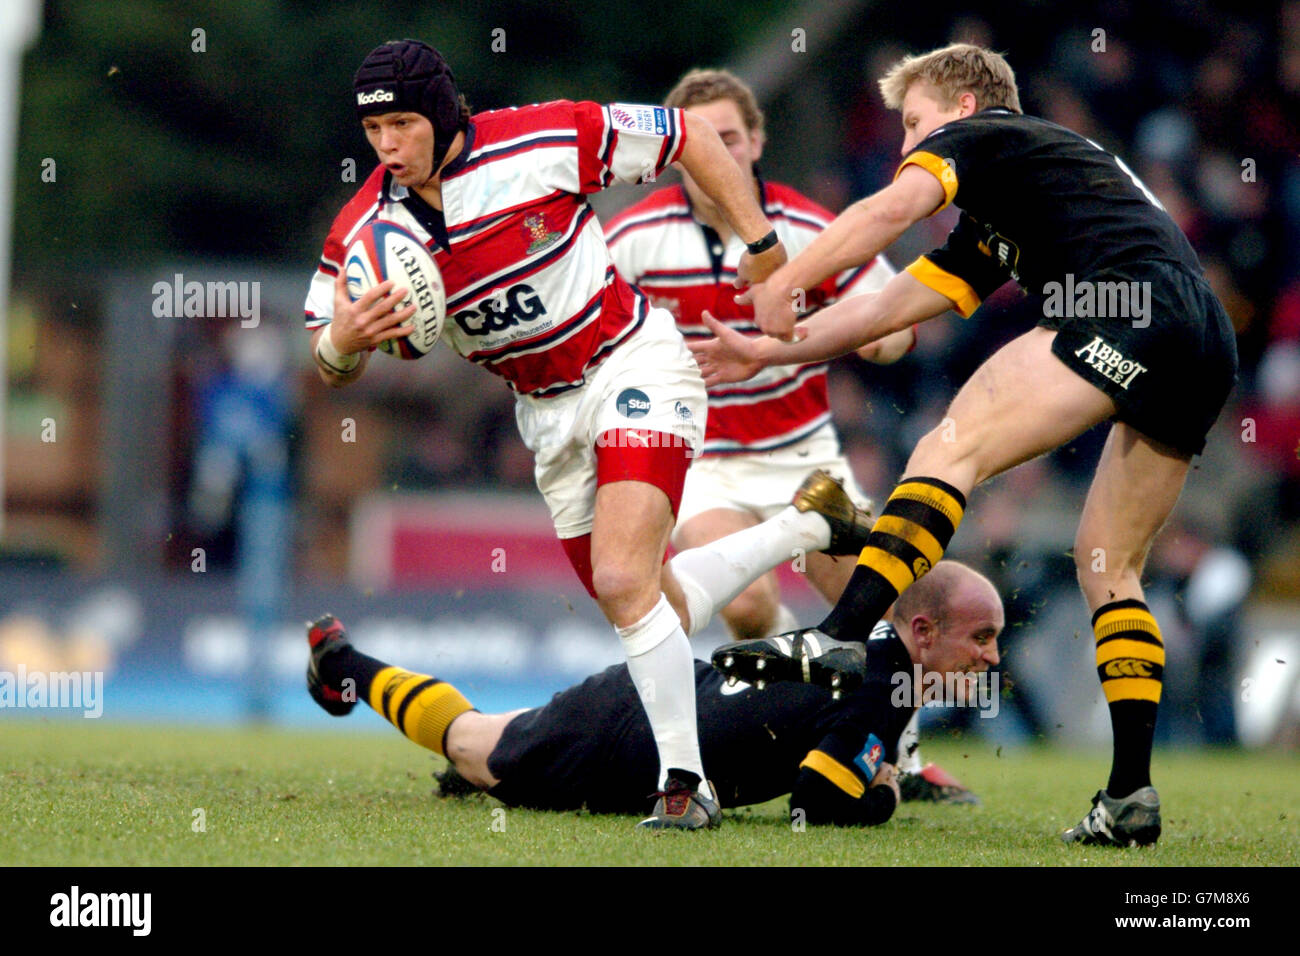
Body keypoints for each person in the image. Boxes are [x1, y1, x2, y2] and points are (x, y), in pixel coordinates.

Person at [301, 40, 881, 829]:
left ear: (441, 113)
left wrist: (764, 252)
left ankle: (686, 786)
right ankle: (808, 523)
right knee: (655, 605)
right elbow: (328, 358)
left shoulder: (543, 140)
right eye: (374, 132)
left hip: (633, 363)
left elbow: (694, 136)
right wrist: (344, 341)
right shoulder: (364, 225)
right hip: (544, 415)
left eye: (403, 124)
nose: (388, 146)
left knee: (618, 578)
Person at [692, 43, 1238, 847]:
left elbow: (885, 212)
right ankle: (1128, 794)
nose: (908, 144)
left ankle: (840, 637)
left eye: (914, 124)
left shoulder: (988, 136)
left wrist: (782, 276)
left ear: (960, 108)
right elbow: (895, 304)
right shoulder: (1009, 203)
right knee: (1108, 565)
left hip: (1128, 302)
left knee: (949, 447)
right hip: (1200, 341)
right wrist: (772, 349)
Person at [605, 68, 969, 804]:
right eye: (705, 140)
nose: (722, 153)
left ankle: (904, 750)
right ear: (679, 152)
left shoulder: (808, 227)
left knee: (876, 601)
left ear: (758, 140)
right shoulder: (635, 238)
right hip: (700, 456)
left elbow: (892, 317)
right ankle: (797, 682)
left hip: (806, 454)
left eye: (732, 137)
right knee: (742, 602)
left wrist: (881, 342)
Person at [304, 560, 1003, 826]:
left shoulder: (862, 650)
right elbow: (815, 802)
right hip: (627, 745)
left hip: (661, 698)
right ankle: (343, 660)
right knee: (471, 746)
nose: (991, 656)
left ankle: (476, 760)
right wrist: (882, 795)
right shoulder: (883, 685)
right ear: (922, 629)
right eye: (980, 637)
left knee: (488, 735)